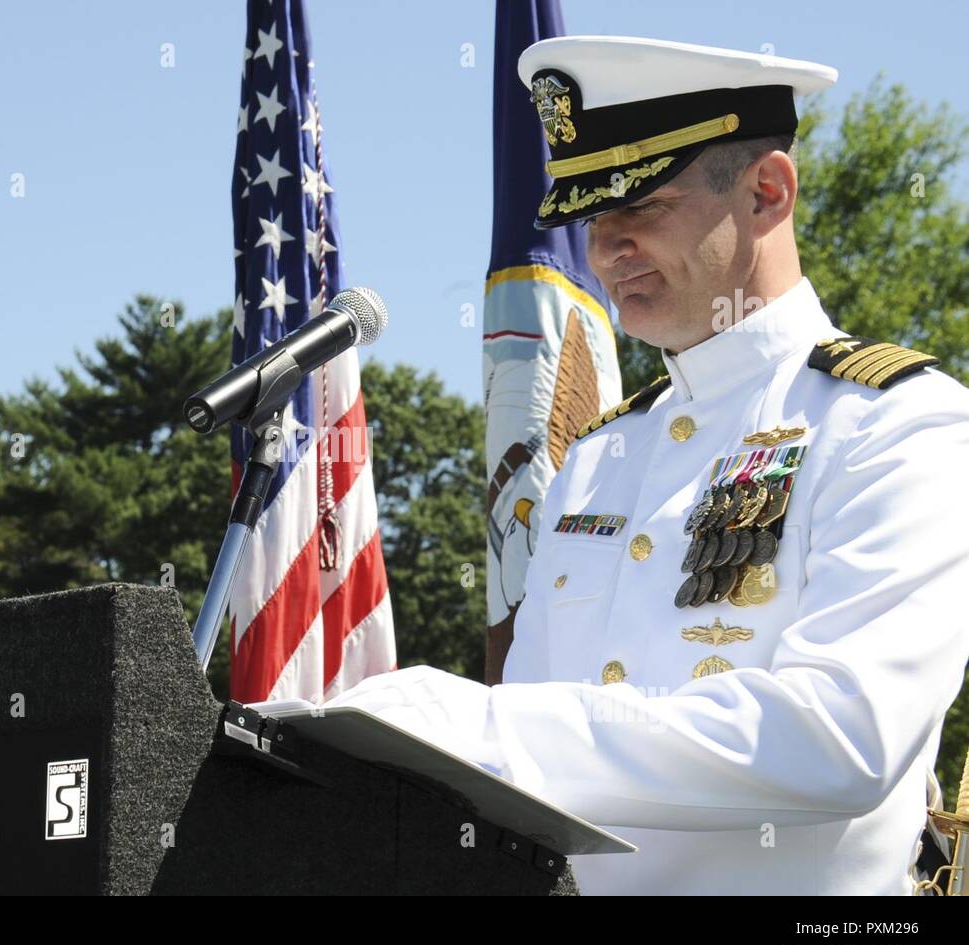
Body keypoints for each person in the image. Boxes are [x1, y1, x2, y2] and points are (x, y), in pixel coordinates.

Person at [326, 36, 969, 894]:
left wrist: (475, 727)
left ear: (768, 191)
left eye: (644, 207)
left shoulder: (900, 423)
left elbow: (842, 739)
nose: (608, 250)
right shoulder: (595, 460)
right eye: (592, 219)